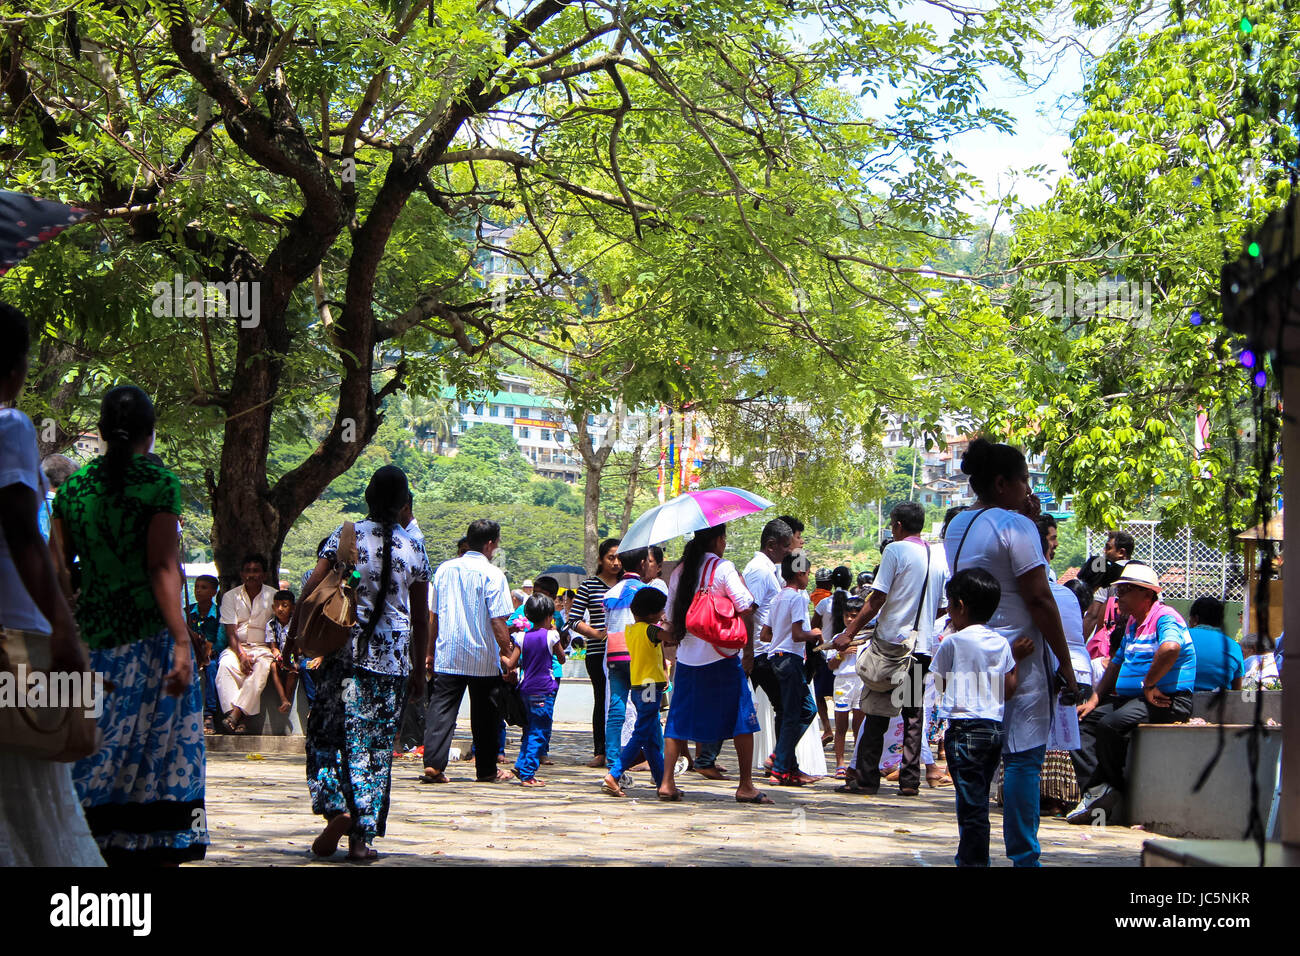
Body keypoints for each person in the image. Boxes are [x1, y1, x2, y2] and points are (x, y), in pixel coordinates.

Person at [54, 384, 208, 865]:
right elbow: (163, 568)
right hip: (151, 644)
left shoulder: (75, 488)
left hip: (93, 645)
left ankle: (87, 851)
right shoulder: (159, 485)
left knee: (94, 755)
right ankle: (148, 851)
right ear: (150, 435)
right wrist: (183, 643)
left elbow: (59, 571)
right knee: (158, 760)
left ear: (100, 431)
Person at [939, 438, 1079, 866]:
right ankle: (1024, 857)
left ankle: (972, 857)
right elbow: (1039, 598)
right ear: (1002, 483)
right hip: (1019, 651)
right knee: (1023, 757)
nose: (1028, 489)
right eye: (1023, 481)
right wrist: (1067, 667)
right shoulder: (1015, 527)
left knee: (976, 768)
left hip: (973, 655)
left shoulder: (959, 525)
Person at [0, 302, 104, 866]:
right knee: (37, 797)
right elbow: (22, 535)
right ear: (15, 370)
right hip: (16, 635)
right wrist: (64, 627)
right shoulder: (9, 425)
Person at [293, 466, 430, 860]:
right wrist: (419, 671)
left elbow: (311, 590)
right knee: (372, 749)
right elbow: (421, 617)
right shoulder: (415, 548)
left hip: (345, 660)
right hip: (393, 665)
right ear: (405, 505)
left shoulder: (346, 535)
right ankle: (360, 839)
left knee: (325, 734)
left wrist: (294, 637)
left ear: (368, 498)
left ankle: (335, 806)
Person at [833, 502, 949, 796]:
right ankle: (909, 781)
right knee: (912, 713)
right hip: (920, 648)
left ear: (897, 525)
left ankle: (868, 779)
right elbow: (941, 607)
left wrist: (848, 633)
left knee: (877, 711)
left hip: (892, 649)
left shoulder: (895, 551)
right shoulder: (937, 556)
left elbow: (875, 599)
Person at [1067, 563, 1195, 825]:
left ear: (1146, 594)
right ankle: (1096, 790)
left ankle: (1114, 787)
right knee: (1080, 722)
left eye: (1125, 591)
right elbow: (1116, 662)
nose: (1118, 598)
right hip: (1133, 699)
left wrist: (1149, 684)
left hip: (1166, 700)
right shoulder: (1133, 625)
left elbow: (1171, 647)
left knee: (1110, 725)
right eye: (1118, 591)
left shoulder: (1165, 617)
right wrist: (1094, 698)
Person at [658, 523, 771, 804]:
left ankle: (667, 782)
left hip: (687, 658)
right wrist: (747, 650)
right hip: (721, 657)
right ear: (719, 540)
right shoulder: (723, 568)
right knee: (742, 719)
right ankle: (745, 785)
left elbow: (670, 616)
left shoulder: (680, 571)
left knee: (677, 720)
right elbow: (745, 605)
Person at [932, 568, 1034, 866]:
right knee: (977, 801)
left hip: (963, 730)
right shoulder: (1001, 644)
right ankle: (971, 859)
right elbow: (1008, 690)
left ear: (960, 606)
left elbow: (938, 682)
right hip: (993, 730)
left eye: (950, 606)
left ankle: (973, 862)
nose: (949, 613)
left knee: (971, 806)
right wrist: (1015, 662)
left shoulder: (953, 642)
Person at [422, 519, 516, 784]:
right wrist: (507, 652)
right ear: (489, 544)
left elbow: (434, 616)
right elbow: (498, 620)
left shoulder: (444, 570)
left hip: (448, 653)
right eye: (496, 543)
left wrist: (429, 652)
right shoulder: (494, 574)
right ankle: (486, 770)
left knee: (441, 710)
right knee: (485, 715)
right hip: (482, 657)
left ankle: (433, 765)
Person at [601, 547, 668, 775]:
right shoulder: (646, 592)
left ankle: (612, 757)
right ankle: (656, 760)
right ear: (642, 564)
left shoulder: (610, 593)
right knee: (649, 713)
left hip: (613, 652)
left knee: (616, 706)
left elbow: (606, 625)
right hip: (639, 659)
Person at [741, 518, 794, 777]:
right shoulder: (760, 572)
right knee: (786, 706)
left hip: (763, 650)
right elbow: (747, 611)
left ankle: (707, 755)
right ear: (771, 545)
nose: (788, 552)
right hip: (759, 652)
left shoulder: (767, 570)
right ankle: (780, 762)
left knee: (778, 705)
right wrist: (749, 652)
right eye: (785, 547)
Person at [764, 551, 821, 785]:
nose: (809, 578)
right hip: (790, 660)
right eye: (808, 573)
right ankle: (779, 768)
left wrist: (782, 634)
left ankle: (781, 755)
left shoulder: (778, 598)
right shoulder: (798, 597)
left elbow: (765, 634)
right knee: (795, 714)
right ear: (800, 573)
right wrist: (815, 634)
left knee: (803, 709)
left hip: (775, 659)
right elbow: (798, 635)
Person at [570, 538, 622, 767]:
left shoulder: (627, 584)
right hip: (598, 652)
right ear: (601, 559)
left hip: (623, 650)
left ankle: (622, 749)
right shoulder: (589, 586)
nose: (616, 562)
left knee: (622, 701)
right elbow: (572, 620)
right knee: (602, 699)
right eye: (611, 557)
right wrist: (594, 633)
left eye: (619, 557)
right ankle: (600, 751)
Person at [215, 554, 279, 732]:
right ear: (242, 574)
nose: (251, 575)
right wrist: (241, 655)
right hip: (237, 647)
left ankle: (234, 716)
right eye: (248, 571)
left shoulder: (274, 596)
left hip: (263, 648)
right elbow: (230, 631)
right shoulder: (230, 597)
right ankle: (238, 719)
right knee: (225, 666)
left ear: (264, 575)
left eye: (256, 571)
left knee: (260, 670)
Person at [507, 594, 566, 788]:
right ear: (550, 616)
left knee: (530, 729)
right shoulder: (551, 636)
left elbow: (512, 663)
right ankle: (528, 774)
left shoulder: (521, 637)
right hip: (544, 689)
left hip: (525, 689)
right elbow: (562, 658)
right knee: (539, 731)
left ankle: (521, 764)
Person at [817, 567, 860, 776]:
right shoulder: (838, 638)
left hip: (861, 682)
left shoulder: (866, 637)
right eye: (847, 616)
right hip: (843, 681)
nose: (850, 620)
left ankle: (857, 764)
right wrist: (842, 652)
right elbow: (831, 664)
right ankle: (840, 763)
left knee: (860, 727)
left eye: (854, 616)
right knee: (841, 726)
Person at [1082, 530, 1134, 655]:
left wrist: (1079, 646)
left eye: (1108, 548)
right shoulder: (1144, 572)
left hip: (1111, 646)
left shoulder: (1107, 573)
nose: (1104, 552)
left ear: (1121, 552)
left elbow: (1093, 615)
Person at [186, 573, 223, 732]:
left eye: (203, 587)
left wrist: (208, 653)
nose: (198, 591)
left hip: (210, 656)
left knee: (212, 668)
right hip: (189, 654)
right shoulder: (186, 612)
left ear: (214, 592)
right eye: (196, 587)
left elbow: (221, 639)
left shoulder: (219, 614)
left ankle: (209, 714)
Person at [1187, 597, 1244, 692]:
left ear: (1195, 619)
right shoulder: (1234, 647)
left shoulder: (1180, 638)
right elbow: (1236, 691)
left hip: (1180, 703)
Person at [265, 589, 298, 714]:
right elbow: (273, 647)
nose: (280, 609)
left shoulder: (296, 624)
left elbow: (298, 647)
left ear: (292, 608)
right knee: (274, 666)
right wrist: (278, 655)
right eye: (277, 605)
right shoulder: (271, 624)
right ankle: (283, 699)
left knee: (291, 667)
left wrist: (288, 657)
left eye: (284, 605)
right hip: (280, 655)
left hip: (293, 655)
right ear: (273, 607)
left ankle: (287, 699)